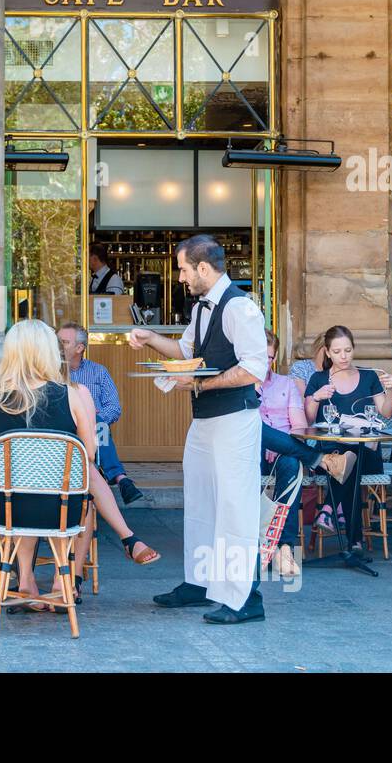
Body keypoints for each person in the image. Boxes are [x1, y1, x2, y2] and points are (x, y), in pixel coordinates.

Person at [0, 320, 160, 609]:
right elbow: (88, 452)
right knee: (82, 485)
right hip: (61, 510)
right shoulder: (71, 394)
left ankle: (25, 582)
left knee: (19, 488)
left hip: (5, 511)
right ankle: (68, 580)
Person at [130, 233, 268, 624]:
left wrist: (203, 384)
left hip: (235, 420)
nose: (179, 277)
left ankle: (246, 599)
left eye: (183, 269)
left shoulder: (240, 308)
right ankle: (201, 582)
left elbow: (255, 368)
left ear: (203, 268)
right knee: (201, 502)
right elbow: (188, 354)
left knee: (235, 507)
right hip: (205, 420)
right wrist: (152, 338)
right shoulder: (201, 308)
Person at [256, 330, 350, 577]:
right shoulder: (242, 388)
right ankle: (324, 461)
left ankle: (284, 548)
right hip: (251, 453)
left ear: (274, 358)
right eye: (258, 356)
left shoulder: (286, 385)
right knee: (252, 446)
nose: (263, 362)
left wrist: (279, 446)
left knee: (291, 463)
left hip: (284, 454)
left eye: (268, 357)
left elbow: (298, 427)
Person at [302, 325, 392, 551]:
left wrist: (390, 390)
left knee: (352, 456)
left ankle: (328, 510)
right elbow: (308, 419)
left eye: (347, 350)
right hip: (330, 456)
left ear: (354, 349)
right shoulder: (319, 379)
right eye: (337, 352)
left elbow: (386, 413)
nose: (343, 356)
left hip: (366, 453)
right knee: (348, 460)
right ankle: (355, 543)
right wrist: (316, 397)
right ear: (327, 352)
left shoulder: (369, 376)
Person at [57, 321, 143, 505]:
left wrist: (93, 418)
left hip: (93, 432)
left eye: (63, 342)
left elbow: (113, 407)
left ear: (80, 347)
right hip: (64, 429)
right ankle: (120, 477)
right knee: (97, 422)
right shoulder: (51, 372)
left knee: (99, 423)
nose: (58, 346)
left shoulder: (98, 372)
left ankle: (119, 478)